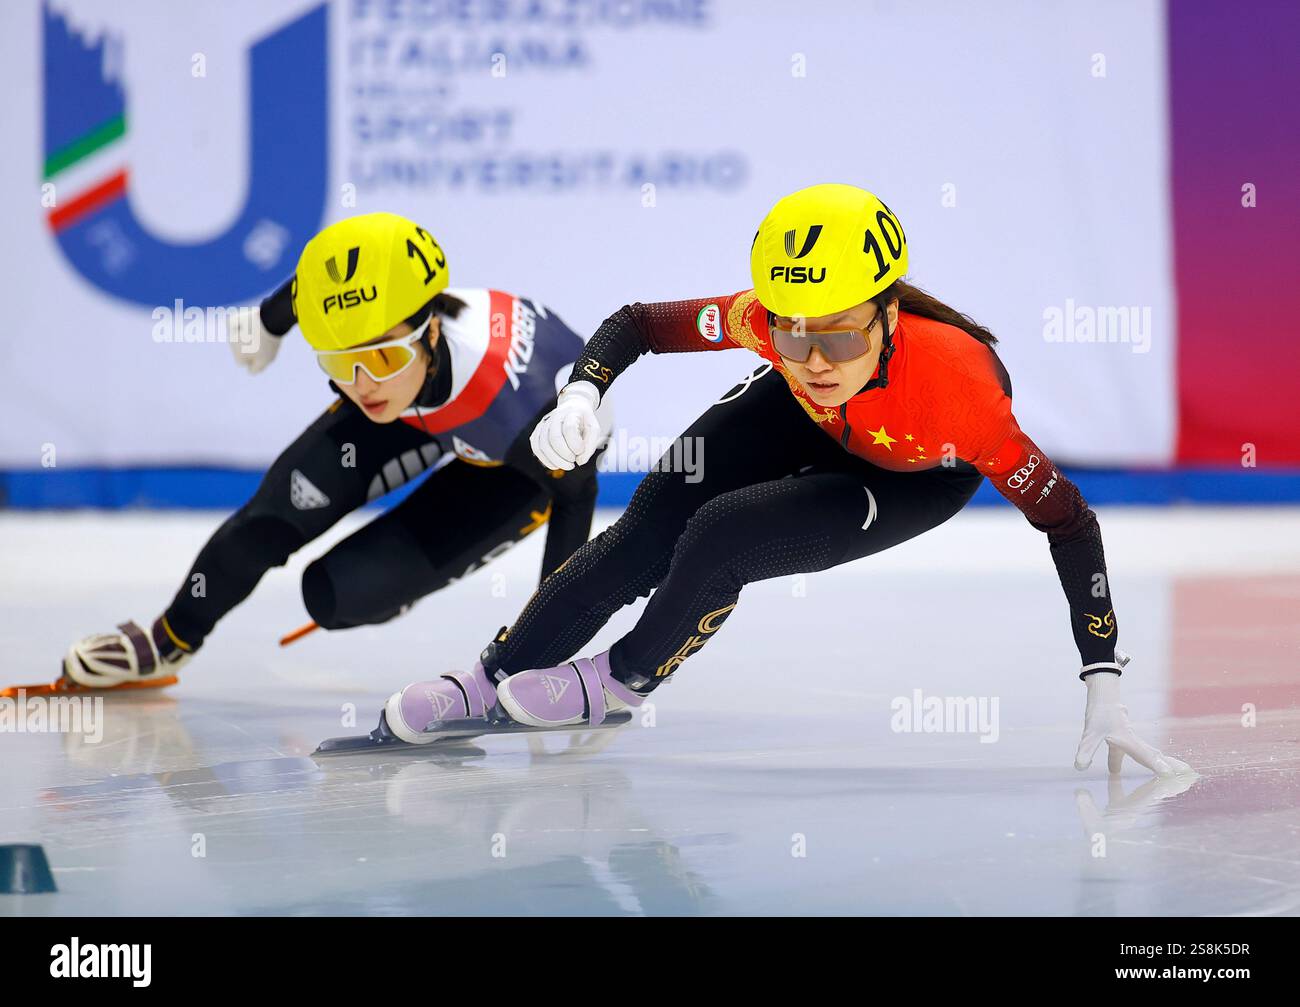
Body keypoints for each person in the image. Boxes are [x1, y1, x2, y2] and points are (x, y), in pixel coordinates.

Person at [383, 184, 1188, 777]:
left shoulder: (964, 397)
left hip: (911, 470)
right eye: (789, 333)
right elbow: (637, 324)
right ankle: (490, 676)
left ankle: (624, 677)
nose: (811, 359)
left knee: (723, 531)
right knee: (652, 521)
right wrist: (585, 387)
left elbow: (1070, 522)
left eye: (838, 338)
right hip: (806, 421)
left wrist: (1103, 673)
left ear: (889, 316)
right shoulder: (773, 328)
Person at [63, 211, 608, 690]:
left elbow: (577, 494)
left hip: (520, 462)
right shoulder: (370, 343)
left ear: (433, 331)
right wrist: (269, 324)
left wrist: (544, 638)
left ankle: (411, 575)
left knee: (343, 594)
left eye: (382, 358)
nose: (364, 384)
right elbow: (306, 292)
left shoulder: (519, 412)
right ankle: (168, 641)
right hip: (425, 400)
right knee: (271, 522)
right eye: (339, 364)